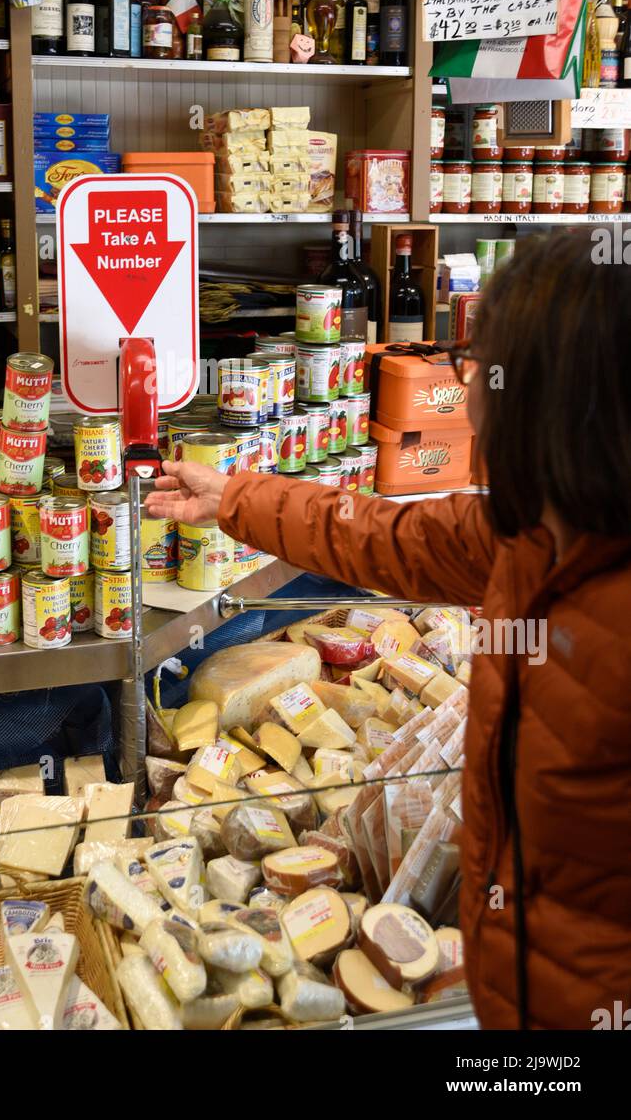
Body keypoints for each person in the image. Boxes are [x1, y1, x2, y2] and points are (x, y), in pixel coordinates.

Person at [145, 230, 631, 1031]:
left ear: (554, 398)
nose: (468, 394)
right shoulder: (537, 526)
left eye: (480, 369)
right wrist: (232, 497)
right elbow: (384, 537)